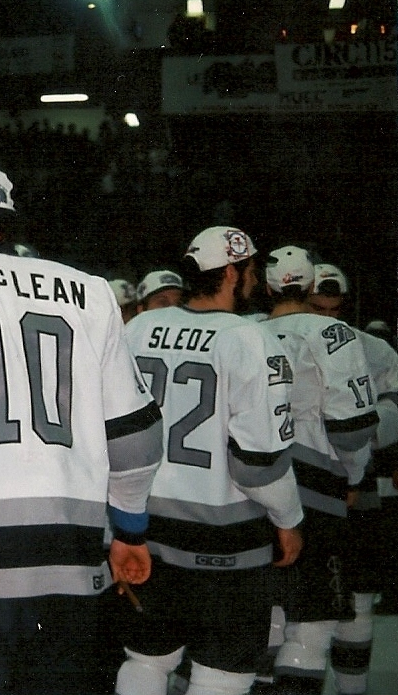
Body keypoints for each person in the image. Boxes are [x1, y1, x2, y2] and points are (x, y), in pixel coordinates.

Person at [0, 165, 163, 694]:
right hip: (71, 553)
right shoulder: (89, 290)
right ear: (10, 222)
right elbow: (137, 435)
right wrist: (130, 530)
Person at [118, 226, 305, 695]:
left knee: (145, 660)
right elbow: (258, 461)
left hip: (143, 526)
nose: (254, 278)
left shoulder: (138, 328)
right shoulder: (250, 338)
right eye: (249, 269)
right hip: (226, 536)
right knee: (222, 673)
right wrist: (289, 517)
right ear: (230, 271)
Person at [258, 246, 378, 694]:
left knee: (268, 617)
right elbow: (352, 428)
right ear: (310, 286)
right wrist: (354, 476)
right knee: (311, 628)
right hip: (315, 483)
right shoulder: (334, 333)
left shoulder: (243, 331)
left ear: (267, 286)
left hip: (251, 482)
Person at [306, 262, 398, 693]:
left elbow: (394, 407)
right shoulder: (270, 336)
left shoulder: (373, 348)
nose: (326, 318)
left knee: (359, 600)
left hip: (354, 488)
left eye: (334, 310)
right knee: (294, 606)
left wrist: (362, 440)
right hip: (301, 484)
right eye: (317, 308)